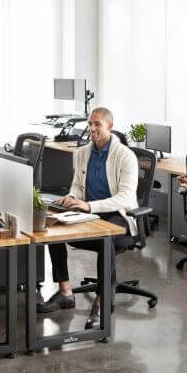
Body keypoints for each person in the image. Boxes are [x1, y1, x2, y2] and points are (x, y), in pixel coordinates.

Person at [37, 107, 139, 329]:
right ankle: (65, 292)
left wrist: (88, 205)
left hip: (119, 216)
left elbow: (125, 197)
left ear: (109, 127)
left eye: (97, 124)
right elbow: (77, 183)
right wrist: (73, 197)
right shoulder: (82, 152)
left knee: (107, 241)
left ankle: (101, 304)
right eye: (90, 124)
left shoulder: (125, 156)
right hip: (87, 212)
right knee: (52, 226)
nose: (92, 128)